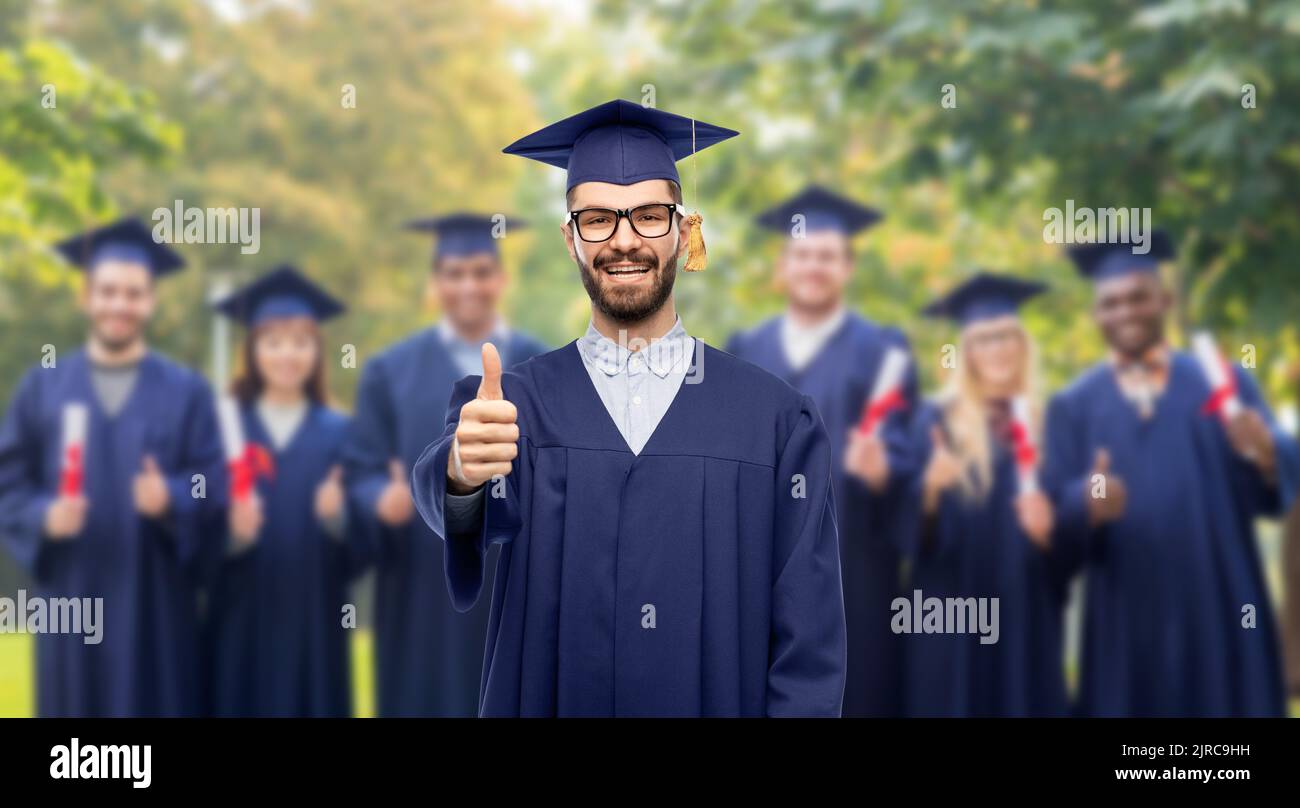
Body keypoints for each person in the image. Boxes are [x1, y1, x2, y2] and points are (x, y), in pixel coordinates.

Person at [411, 99, 846, 717]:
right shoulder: (510, 407)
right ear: (570, 238)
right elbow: (452, 500)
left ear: (684, 229)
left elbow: (810, 644)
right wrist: (460, 473)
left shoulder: (775, 422)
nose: (623, 240)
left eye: (647, 216)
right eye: (596, 219)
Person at [1042, 233, 1299, 716]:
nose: (1125, 312)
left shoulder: (1223, 382)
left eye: (1138, 297)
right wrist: (1089, 498)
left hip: (1220, 600)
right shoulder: (1073, 406)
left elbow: (1275, 485)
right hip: (1124, 613)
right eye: (1110, 303)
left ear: (1165, 299)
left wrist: (1267, 452)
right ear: (1096, 314)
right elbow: (1057, 518)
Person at [0, 218, 225, 716]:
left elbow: (212, 486)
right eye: (107, 292)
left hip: (157, 611)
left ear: (151, 300)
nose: (119, 305)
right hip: (71, 606)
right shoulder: (43, 388)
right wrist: (42, 516)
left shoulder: (186, 392)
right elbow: (7, 485)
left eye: (133, 293)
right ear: (86, 297)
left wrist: (172, 497)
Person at [344, 213, 547, 717]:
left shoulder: (541, 367)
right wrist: (377, 500)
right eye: (454, 274)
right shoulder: (388, 372)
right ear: (435, 282)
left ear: (501, 278)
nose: (468, 286)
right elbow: (361, 471)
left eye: (481, 272)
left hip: (514, 588)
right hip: (418, 590)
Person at [726, 185, 917, 716]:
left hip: (856, 572)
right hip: (759, 571)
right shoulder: (745, 351)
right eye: (803, 255)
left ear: (847, 267)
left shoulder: (884, 352)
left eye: (827, 256)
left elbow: (911, 459)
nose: (814, 266)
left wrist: (886, 471)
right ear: (784, 265)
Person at [898, 273, 1067, 717]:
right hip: (952, 612)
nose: (997, 349)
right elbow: (908, 534)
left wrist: (1051, 532)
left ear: (1022, 345)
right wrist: (931, 491)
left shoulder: (1049, 424)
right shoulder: (934, 420)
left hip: (1026, 613)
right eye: (984, 339)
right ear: (967, 352)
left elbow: (1070, 540)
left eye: (1006, 337)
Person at [205, 266, 370, 717]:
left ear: (316, 352)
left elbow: (363, 551)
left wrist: (339, 517)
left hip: (314, 625)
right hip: (239, 625)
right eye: (273, 341)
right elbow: (191, 543)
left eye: (300, 342)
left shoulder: (341, 433)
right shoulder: (222, 431)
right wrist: (230, 533)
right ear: (253, 349)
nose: (287, 354)